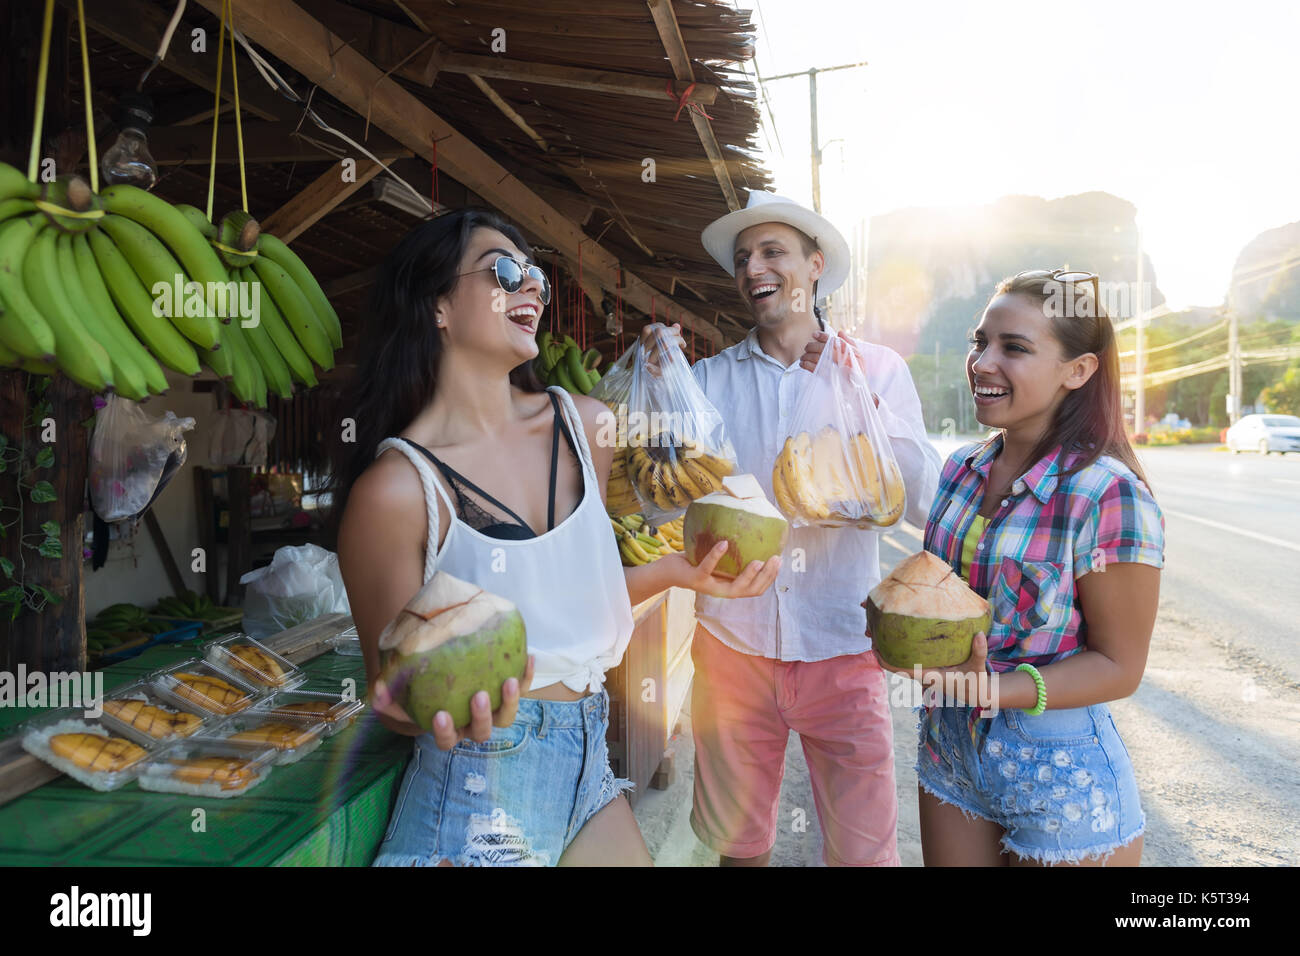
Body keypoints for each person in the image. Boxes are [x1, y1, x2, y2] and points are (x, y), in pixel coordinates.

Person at [329, 208, 780, 867]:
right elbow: (392, 697)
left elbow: (569, 607)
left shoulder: (587, 425)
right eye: (505, 272)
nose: (533, 287)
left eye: (536, 273)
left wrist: (680, 571)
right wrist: (449, 705)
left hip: (589, 762)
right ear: (438, 308)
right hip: (474, 796)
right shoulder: (396, 492)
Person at [644, 191, 942, 866]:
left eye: (772, 252)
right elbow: (661, 507)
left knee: (864, 853)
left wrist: (851, 392)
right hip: (732, 648)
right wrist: (664, 397)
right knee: (737, 846)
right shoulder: (708, 380)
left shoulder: (878, 371)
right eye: (744, 258)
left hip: (842, 643)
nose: (754, 268)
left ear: (815, 266)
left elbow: (922, 500)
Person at [877, 269, 1164, 866]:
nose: (982, 362)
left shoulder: (1108, 493)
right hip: (951, 754)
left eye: (1014, 348)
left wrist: (995, 690)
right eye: (979, 342)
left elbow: (1119, 666)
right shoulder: (961, 469)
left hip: (1057, 772)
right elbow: (942, 604)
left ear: (1078, 371)